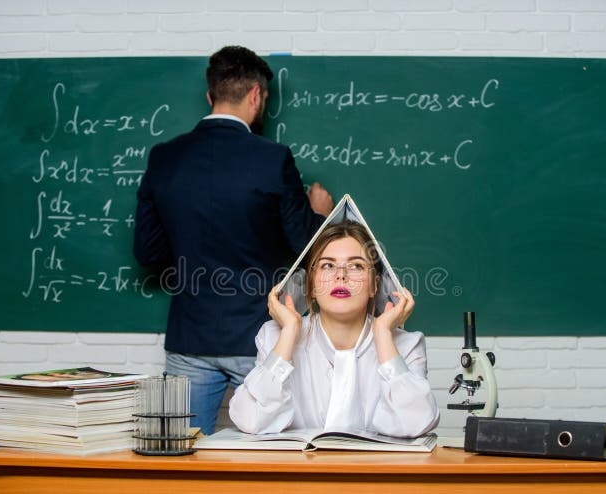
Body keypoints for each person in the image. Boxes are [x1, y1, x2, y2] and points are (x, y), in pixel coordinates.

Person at [133, 45, 333, 436]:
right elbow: (303, 245)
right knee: (265, 462)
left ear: (211, 96)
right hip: (259, 339)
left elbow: (148, 251)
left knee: (177, 455)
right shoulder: (272, 159)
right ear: (256, 95)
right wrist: (320, 214)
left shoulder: (164, 157)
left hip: (190, 338)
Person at [229, 220, 440, 438]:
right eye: (328, 265)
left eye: (356, 265)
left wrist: (383, 334)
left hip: (375, 471)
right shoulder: (276, 336)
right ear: (310, 285)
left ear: (374, 286)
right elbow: (250, 420)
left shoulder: (405, 345)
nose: (341, 275)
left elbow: (416, 423)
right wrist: (290, 330)